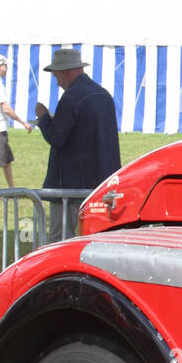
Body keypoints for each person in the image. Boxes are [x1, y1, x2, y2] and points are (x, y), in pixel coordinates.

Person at [34, 47, 121, 242]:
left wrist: (43, 117)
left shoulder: (71, 97)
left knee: (60, 238)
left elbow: (57, 137)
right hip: (101, 181)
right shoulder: (103, 95)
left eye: (57, 76)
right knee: (98, 237)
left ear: (66, 72)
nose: (57, 81)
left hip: (71, 184)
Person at [0, 54, 33, 187]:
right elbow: (6, 108)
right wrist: (23, 122)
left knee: (7, 160)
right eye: (5, 66)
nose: (7, 69)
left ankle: (11, 188)